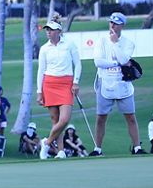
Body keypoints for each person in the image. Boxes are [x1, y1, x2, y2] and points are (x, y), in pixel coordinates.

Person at [92, 12, 145, 156]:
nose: (113, 25)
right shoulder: (101, 41)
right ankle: (98, 149)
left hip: (122, 83)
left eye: (116, 23)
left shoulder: (128, 43)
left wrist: (115, 44)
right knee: (101, 117)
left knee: (130, 117)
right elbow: (98, 62)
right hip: (105, 82)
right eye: (111, 22)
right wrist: (116, 63)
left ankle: (137, 147)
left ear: (122, 25)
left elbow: (124, 59)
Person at [35, 16, 81, 160]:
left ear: (59, 31)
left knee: (64, 119)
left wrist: (76, 82)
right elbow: (41, 70)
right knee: (55, 120)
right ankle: (60, 151)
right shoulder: (44, 48)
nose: (48, 32)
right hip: (49, 84)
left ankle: (46, 143)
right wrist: (39, 91)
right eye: (47, 30)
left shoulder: (69, 44)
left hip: (66, 83)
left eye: (51, 30)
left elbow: (78, 64)